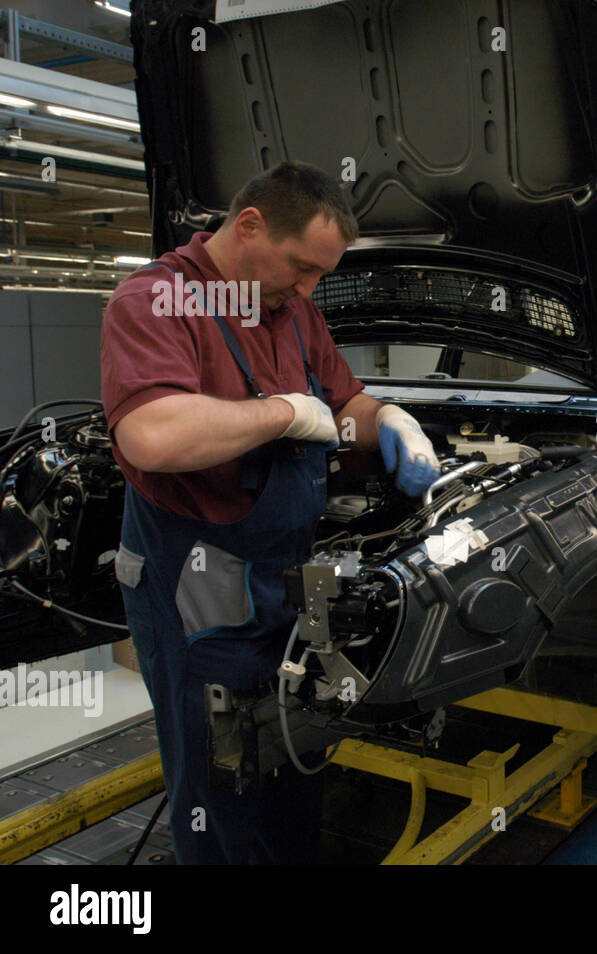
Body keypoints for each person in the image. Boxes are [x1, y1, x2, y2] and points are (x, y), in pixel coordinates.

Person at [100, 161, 441, 864]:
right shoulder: (155, 301)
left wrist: (391, 422)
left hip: (287, 576)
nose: (309, 289)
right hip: (199, 590)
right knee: (223, 776)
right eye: (300, 267)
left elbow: (345, 403)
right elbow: (152, 433)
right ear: (249, 226)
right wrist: (282, 413)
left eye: (321, 274)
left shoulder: (290, 308)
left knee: (291, 745)